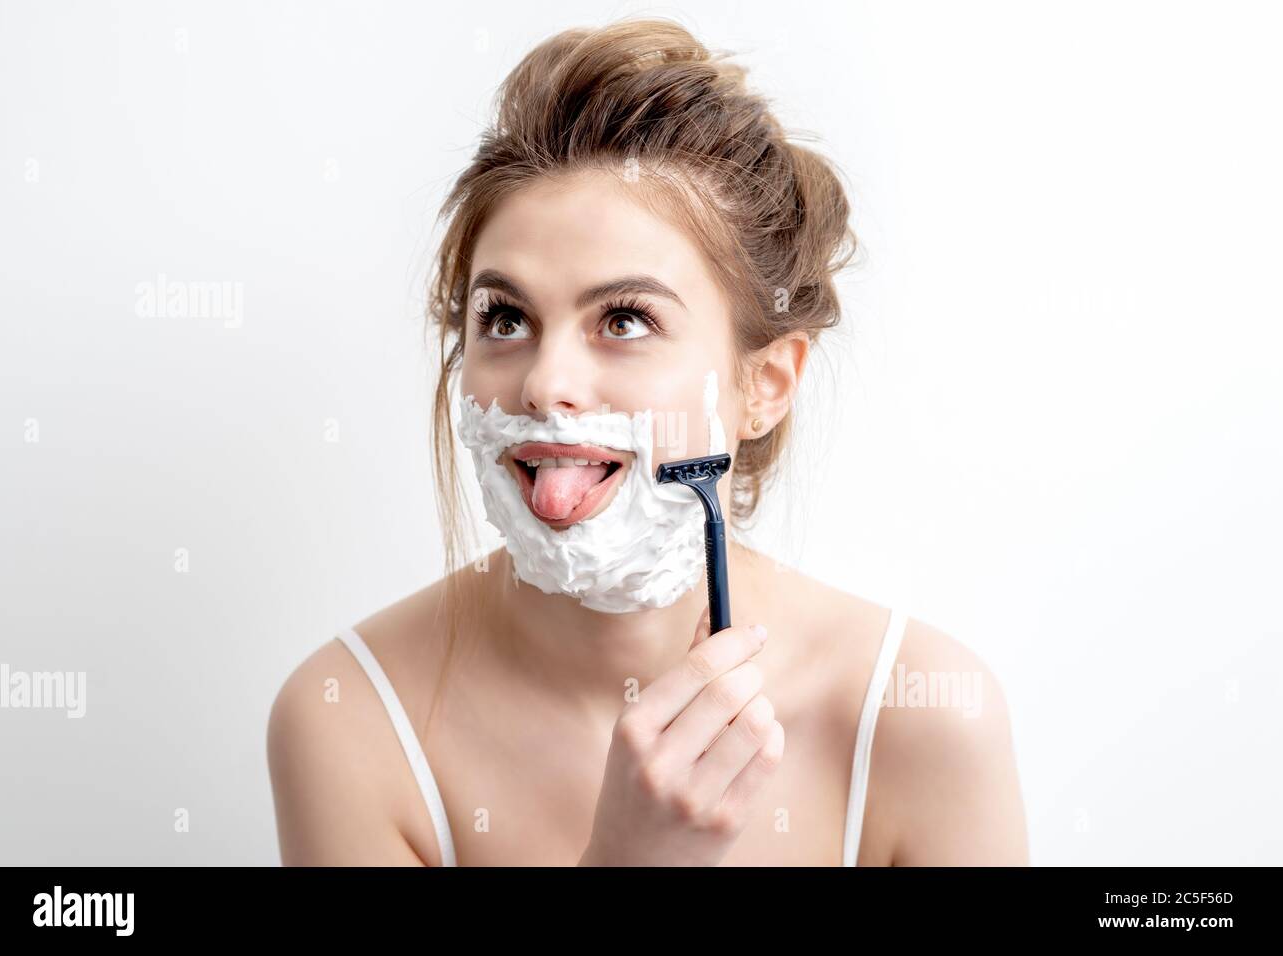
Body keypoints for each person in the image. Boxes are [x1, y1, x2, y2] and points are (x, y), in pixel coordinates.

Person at [268, 16, 1029, 866]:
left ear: (764, 385)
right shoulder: (349, 720)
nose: (544, 382)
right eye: (506, 318)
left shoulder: (922, 716)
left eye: (624, 319)